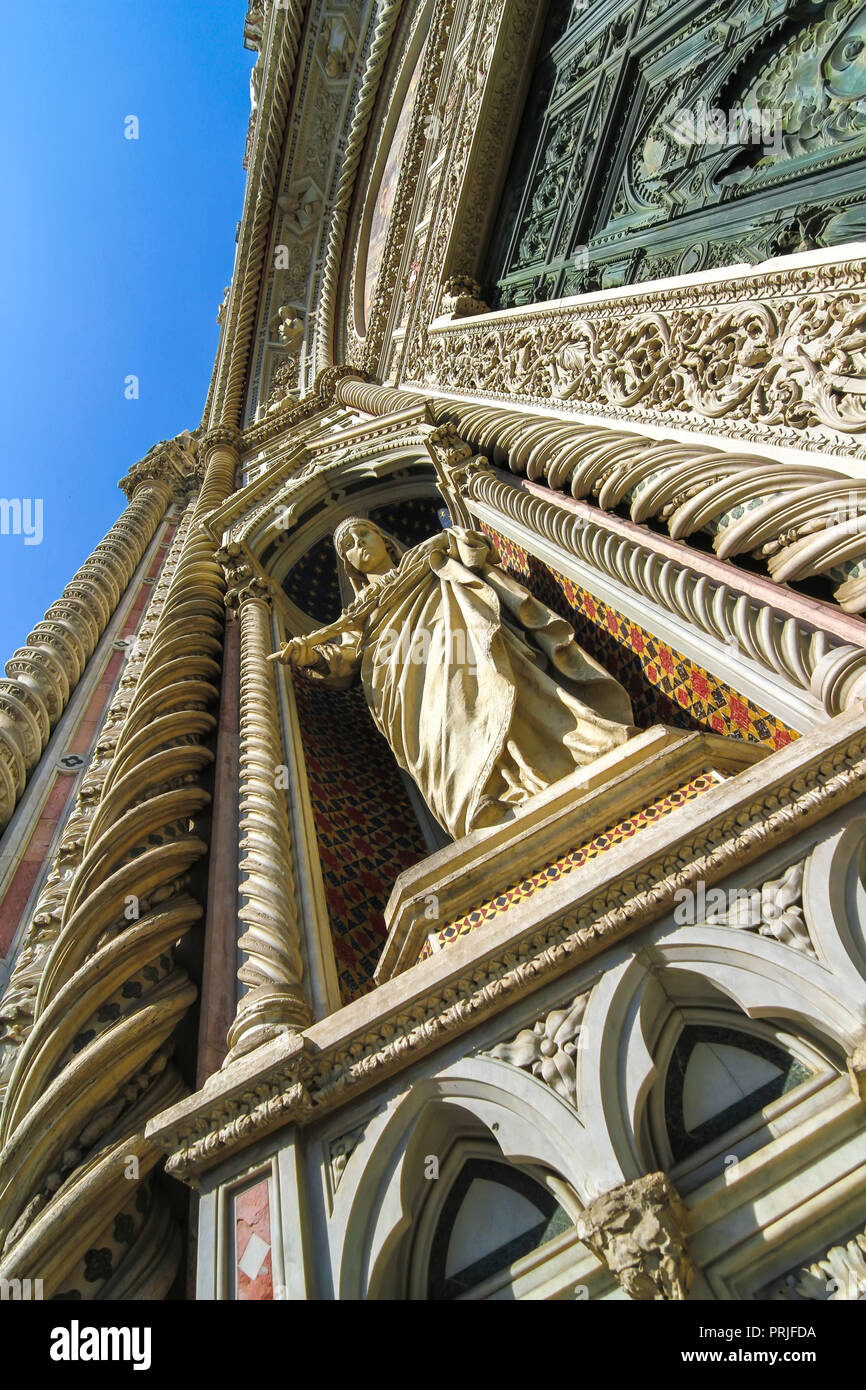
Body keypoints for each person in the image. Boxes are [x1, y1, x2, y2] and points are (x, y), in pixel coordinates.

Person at [272, 517, 635, 839]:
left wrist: (446, 541)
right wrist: (312, 657)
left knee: (497, 689)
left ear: (384, 539)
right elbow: (347, 661)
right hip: (406, 688)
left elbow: (477, 551)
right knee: (445, 733)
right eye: (348, 546)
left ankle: (568, 754)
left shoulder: (427, 558)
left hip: (461, 644)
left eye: (363, 534)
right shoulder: (358, 614)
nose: (358, 545)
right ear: (348, 564)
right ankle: (481, 798)